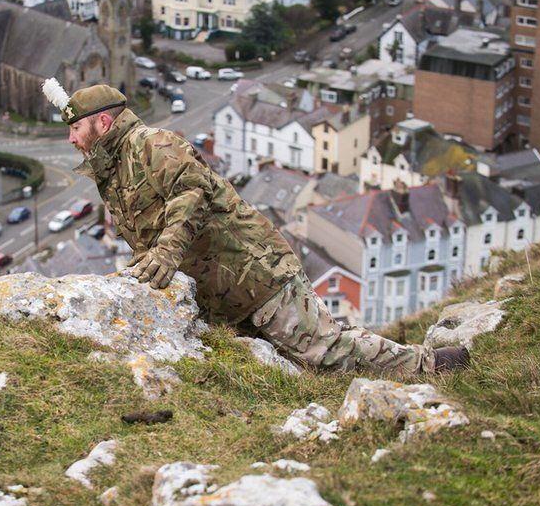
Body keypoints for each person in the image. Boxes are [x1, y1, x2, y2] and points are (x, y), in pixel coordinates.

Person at [41, 79, 469, 375]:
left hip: (256, 272)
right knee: (303, 359)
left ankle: (432, 366)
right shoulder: (113, 172)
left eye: (76, 127)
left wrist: (166, 254)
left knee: (324, 351)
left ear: (104, 122)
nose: (72, 139)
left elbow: (191, 193)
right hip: (224, 291)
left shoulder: (153, 144)